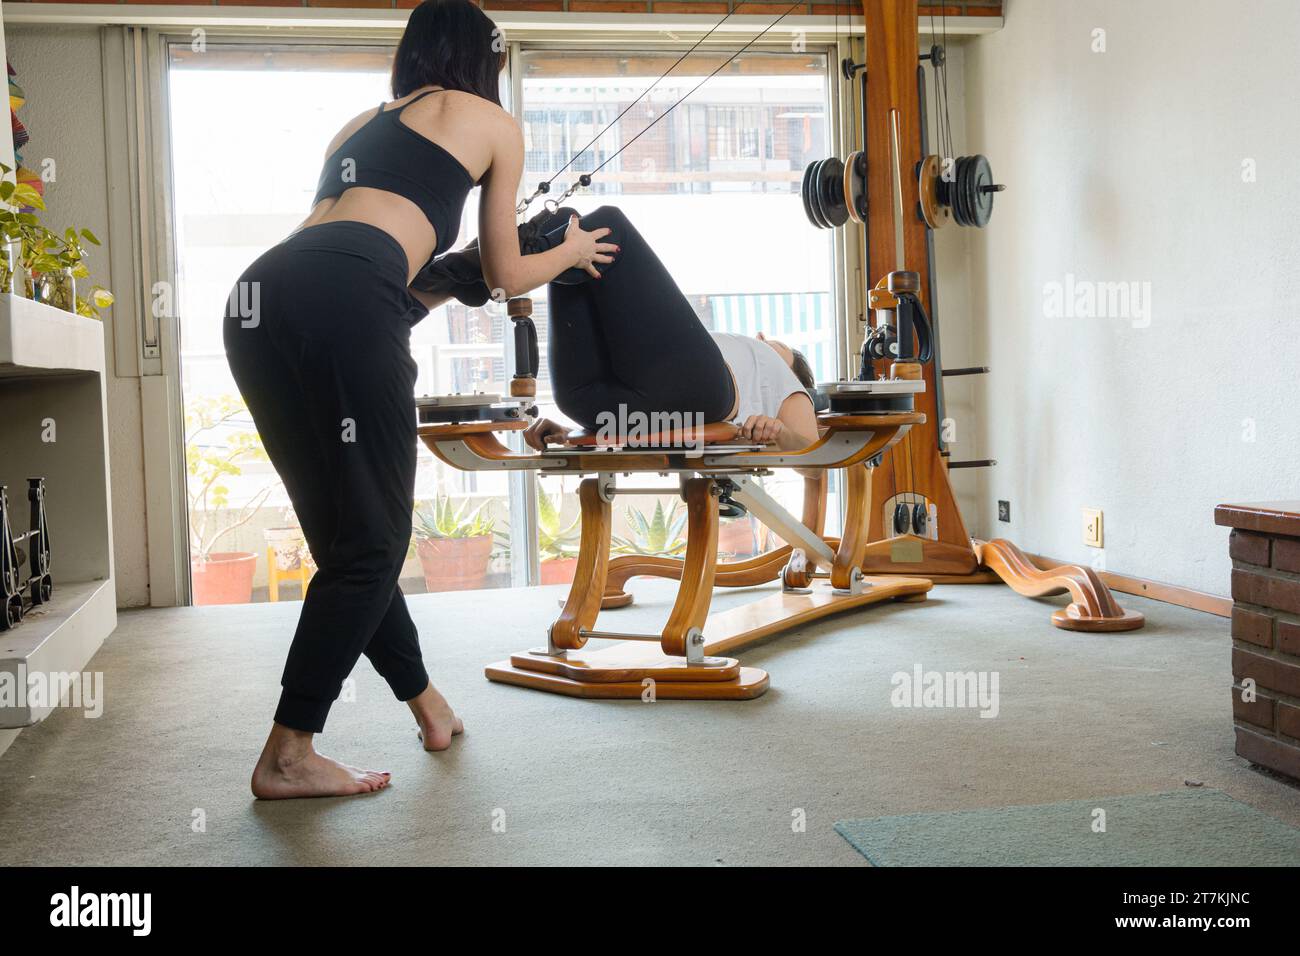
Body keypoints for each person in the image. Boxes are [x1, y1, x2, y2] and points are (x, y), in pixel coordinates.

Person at [222, 0, 617, 800]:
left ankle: (428, 707)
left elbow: (365, 259)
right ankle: (289, 753)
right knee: (369, 545)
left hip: (258, 296)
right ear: (486, 60)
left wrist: (459, 270)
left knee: (351, 543)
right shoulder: (492, 121)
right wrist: (570, 249)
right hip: (347, 294)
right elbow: (507, 275)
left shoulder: (357, 126)